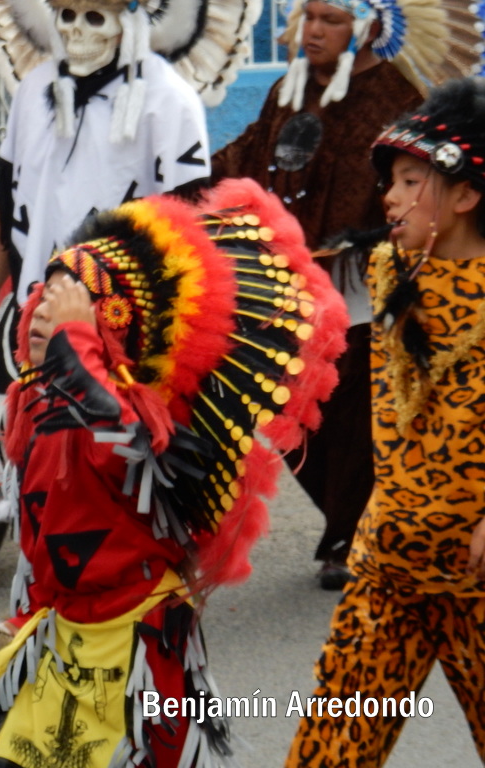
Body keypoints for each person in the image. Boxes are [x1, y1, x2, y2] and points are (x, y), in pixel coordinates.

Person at [0, 178, 349, 768]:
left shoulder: (132, 418)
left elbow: (101, 430)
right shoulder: (31, 405)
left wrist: (75, 341)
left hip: (135, 643)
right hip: (64, 641)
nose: (42, 308)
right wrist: (26, 629)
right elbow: (41, 546)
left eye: (68, 301)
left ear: (105, 331)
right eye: (44, 293)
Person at [0, 0, 214, 517]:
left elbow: (189, 234)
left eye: (94, 17)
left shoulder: (168, 101)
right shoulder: (32, 91)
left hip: (118, 336)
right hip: (35, 322)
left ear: (129, 20)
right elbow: (10, 201)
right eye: (65, 14)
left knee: (111, 489)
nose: (75, 31)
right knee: (37, 477)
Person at [285, 76, 485, 767]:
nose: (389, 198)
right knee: (328, 754)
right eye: (390, 182)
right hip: (388, 563)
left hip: (476, 573)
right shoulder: (383, 269)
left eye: (409, 181)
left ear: (465, 195)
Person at [210, 0, 430, 588]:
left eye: (329, 19)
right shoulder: (287, 89)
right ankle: (350, 524)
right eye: (307, 17)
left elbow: (418, 187)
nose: (312, 30)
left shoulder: (397, 97)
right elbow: (248, 157)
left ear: (365, 28)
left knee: (354, 416)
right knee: (289, 409)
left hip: (363, 290)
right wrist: (188, 185)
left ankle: (347, 536)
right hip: (292, 288)